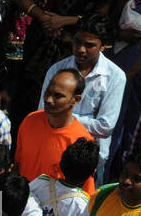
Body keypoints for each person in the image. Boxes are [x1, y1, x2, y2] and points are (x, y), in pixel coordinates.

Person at [38, 15, 125, 174]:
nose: (80, 49)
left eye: (89, 45)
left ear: (103, 46)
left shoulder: (115, 76)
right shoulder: (57, 70)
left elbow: (105, 127)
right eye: (77, 42)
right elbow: (43, 114)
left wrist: (63, 114)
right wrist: (91, 118)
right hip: (55, 151)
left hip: (91, 162)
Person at [16, 69, 95, 186]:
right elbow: (17, 164)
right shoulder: (30, 120)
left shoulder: (81, 141)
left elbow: (83, 193)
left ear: (76, 100)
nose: (48, 100)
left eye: (58, 96)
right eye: (48, 93)